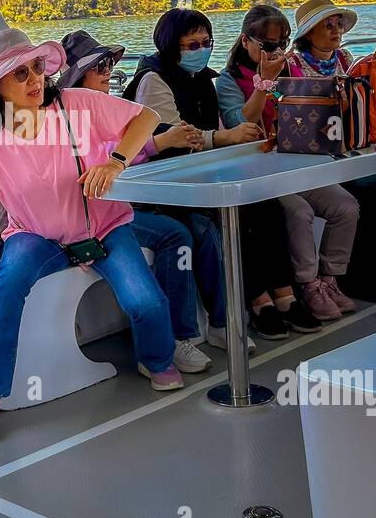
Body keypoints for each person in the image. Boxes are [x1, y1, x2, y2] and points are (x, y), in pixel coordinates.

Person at [0, 28, 180, 436]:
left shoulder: (78, 104)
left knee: (144, 301)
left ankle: (157, 359)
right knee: (5, 287)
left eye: (37, 67)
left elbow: (148, 117)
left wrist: (116, 162)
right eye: (20, 74)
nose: (35, 80)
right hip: (34, 235)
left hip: (106, 228)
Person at [124, 8, 321, 338]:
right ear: (171, 45)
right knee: (236, 214)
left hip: (200, 171)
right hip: (164, 185)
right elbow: (174, 138)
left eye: (207, 42)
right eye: (192, 44)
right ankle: (256, 302)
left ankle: (284, 295)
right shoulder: (153, 81)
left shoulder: (201, 80)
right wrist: (225, 136)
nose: (202, 50)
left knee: (267, 203)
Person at [59, 29, 247, 365]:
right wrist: (161, 142)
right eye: (99, 66)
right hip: (90, 215)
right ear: (77, 75)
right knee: (178, 234)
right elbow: (96, 160)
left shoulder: (110, 108)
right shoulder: (68, 116)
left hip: (120, 203)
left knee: (202, 224)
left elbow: (125, 149)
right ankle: (178, 337)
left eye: (108, 64)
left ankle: (222, 321)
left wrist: (166, 140)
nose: (107, 72)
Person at [216, 2, 364, 318]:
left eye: (282, 44)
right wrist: (264, 83)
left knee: (346, 206)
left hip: (292, 162)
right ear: (246, 42)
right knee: (298, 211)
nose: (276, 51)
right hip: (257, 172)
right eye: (268, 45)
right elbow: (240, 124)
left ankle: (329, 279)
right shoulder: (229, 80)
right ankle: (307, 286)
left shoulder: (290, 69)